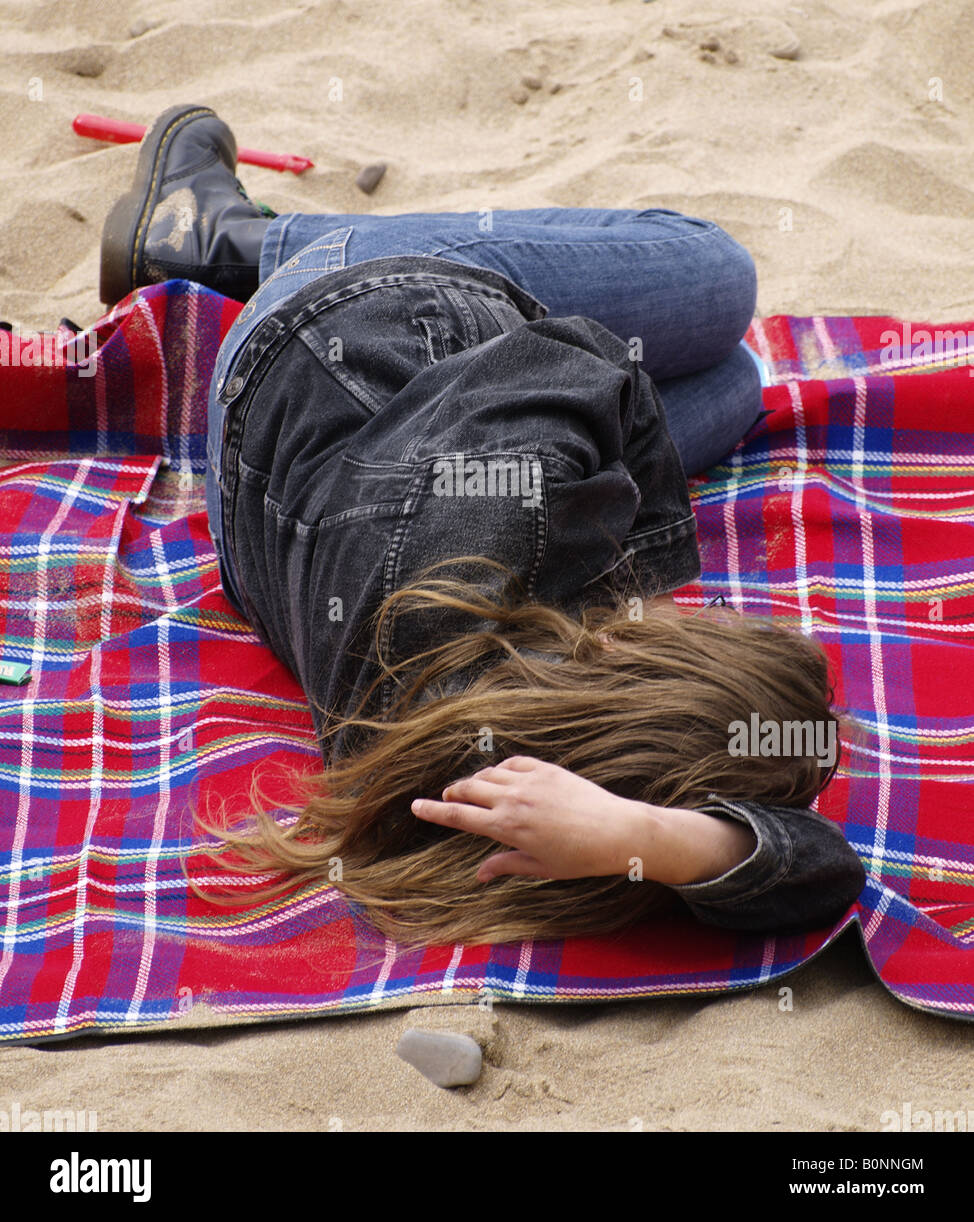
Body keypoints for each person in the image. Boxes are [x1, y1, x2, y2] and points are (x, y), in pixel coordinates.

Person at [100, 104, 865, 946]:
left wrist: (640, 552)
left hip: (327, 329)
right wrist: (645, 839)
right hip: (275, 516)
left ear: (647, 674)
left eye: (708, 631)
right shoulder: (496, 784)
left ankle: (219, 242)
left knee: (720, 278)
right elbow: (825, 873)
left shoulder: (486, 527)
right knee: (735, 387)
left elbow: (570, 361)